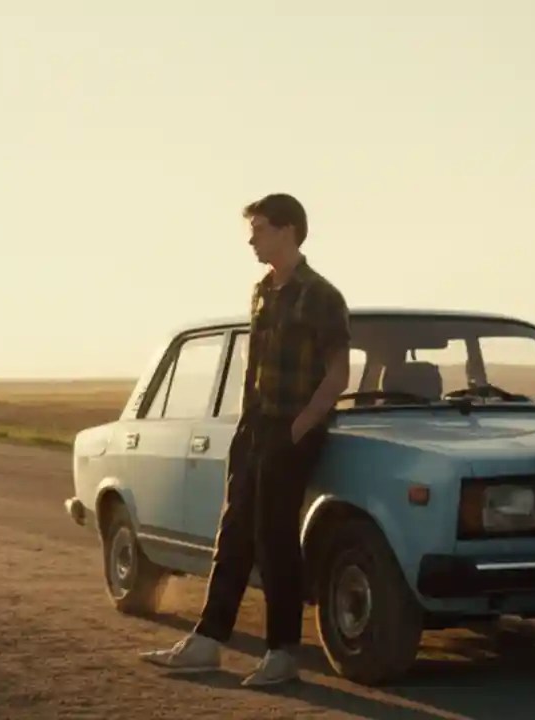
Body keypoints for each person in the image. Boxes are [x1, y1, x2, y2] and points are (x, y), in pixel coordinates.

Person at [140, 193, 351, 687]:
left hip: (291, 430)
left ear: (288, 230)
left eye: (258, 229)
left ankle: (282, 654)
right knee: (233, 533)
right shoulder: (261, 291)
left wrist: (299, 429)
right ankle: (207, 642)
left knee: (275, 539)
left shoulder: (322, 296)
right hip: (253, 427)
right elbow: (254, 367)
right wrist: (248, 426)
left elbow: (338, 374)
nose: (251, 239)